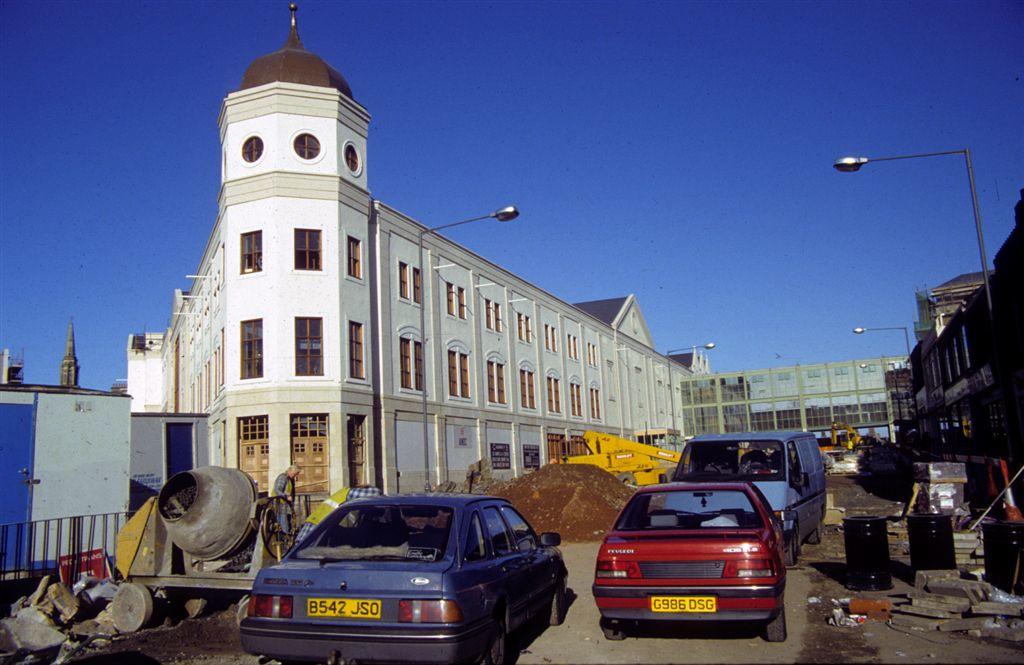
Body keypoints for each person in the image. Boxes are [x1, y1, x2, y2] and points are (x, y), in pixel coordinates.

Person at [272, 465, 302, 534]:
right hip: (280, 505)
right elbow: (277, 490)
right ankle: (284, 538)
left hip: (285, 506)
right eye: (295, 474)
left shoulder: (289, 479)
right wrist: (286, 496)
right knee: (284, 526)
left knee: (287, 524)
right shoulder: (283, 477)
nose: (296, 476)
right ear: (291, 471)